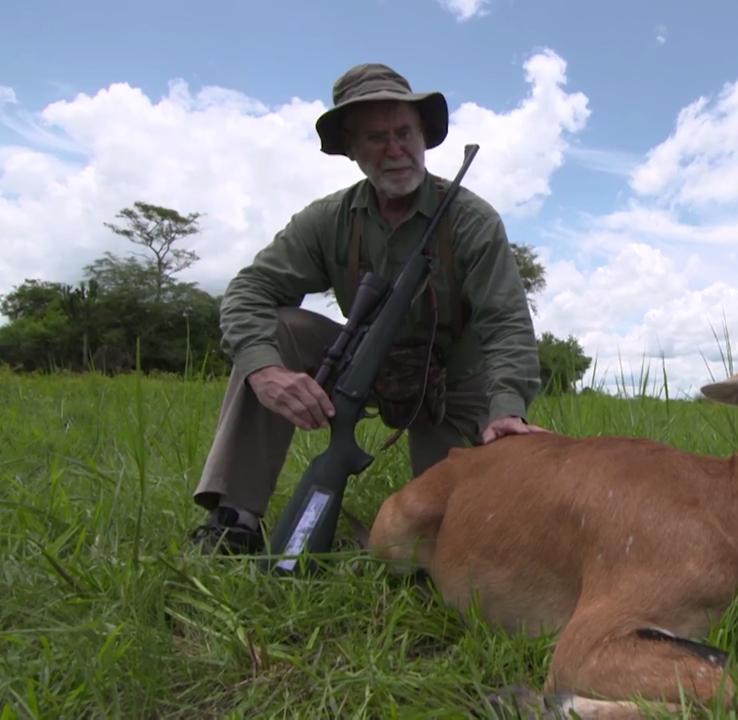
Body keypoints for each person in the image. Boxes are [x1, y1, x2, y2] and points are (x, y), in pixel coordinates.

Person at [190, 63, 544, 553]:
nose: (395, 149)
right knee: (275, 333)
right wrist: (265, 370)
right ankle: (235, 518)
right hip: (361, 365)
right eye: (377, 138)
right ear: (351, 150)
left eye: (404, 132)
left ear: (424, 136)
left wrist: (507, 410)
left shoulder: (472, 220)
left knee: (455, 530)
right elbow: (248, 289)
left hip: (452, 386)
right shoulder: (327, 219)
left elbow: (505, 324)